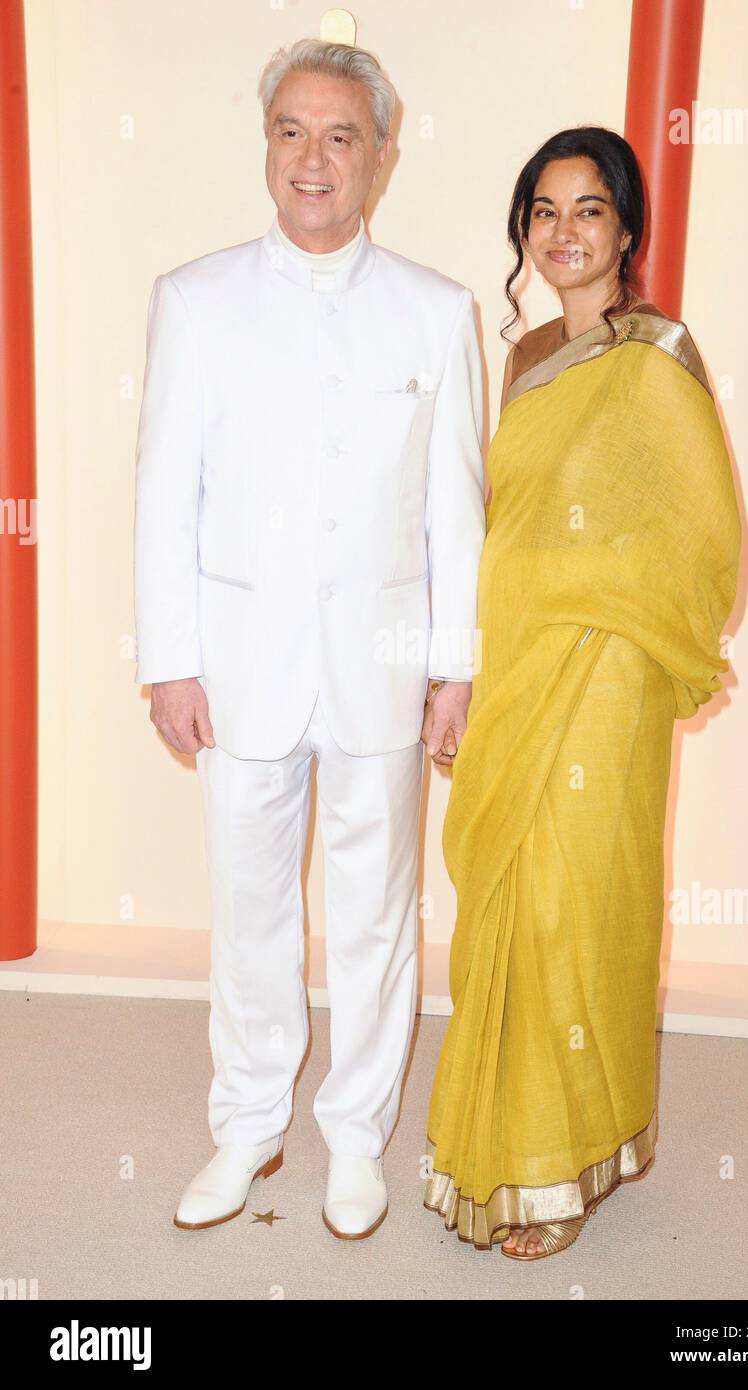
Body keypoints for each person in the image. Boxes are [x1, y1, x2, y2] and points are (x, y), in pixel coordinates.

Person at [133, 38, 485, 1237]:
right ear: (267, 145)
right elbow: (161, 494)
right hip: (234, 669)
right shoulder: (194, 299)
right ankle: (244, 1129)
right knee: (249, 910)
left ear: (381, 156)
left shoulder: (439, 314)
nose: (315, 157)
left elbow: (456, 510)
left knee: (379, 914)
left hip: (385, 670)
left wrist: (457, 663)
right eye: (293, 130)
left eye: (343, 134)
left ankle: (354, 1140)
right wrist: (167, 657)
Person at [423, 127, 741, 1259]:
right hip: (518, 666)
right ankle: (518, 1137)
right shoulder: (519, 363)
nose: (564, 231)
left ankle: (569, 1167)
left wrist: (617, 615)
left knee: (576, 904)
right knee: (505, 904)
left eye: (588, 209)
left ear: (627, 231)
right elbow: (499, 529)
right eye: (543, 211)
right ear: (524, 232)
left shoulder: (657, 353)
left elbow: (705, 532)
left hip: (604, 675)